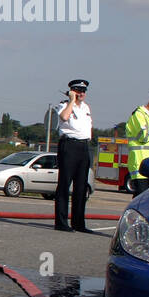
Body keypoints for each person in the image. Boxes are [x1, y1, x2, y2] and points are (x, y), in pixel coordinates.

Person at [53, 78, 93, 232]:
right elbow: (64, 117)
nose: (81, 94)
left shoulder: (86, 107)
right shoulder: (64, 105)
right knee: (64, 184)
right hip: (69, 145)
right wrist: (71, 100)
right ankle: (61, 222)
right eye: (78, 91)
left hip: (83, 146)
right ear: (71, 91)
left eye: (83, 91)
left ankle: (78, 223)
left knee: (81, 187)